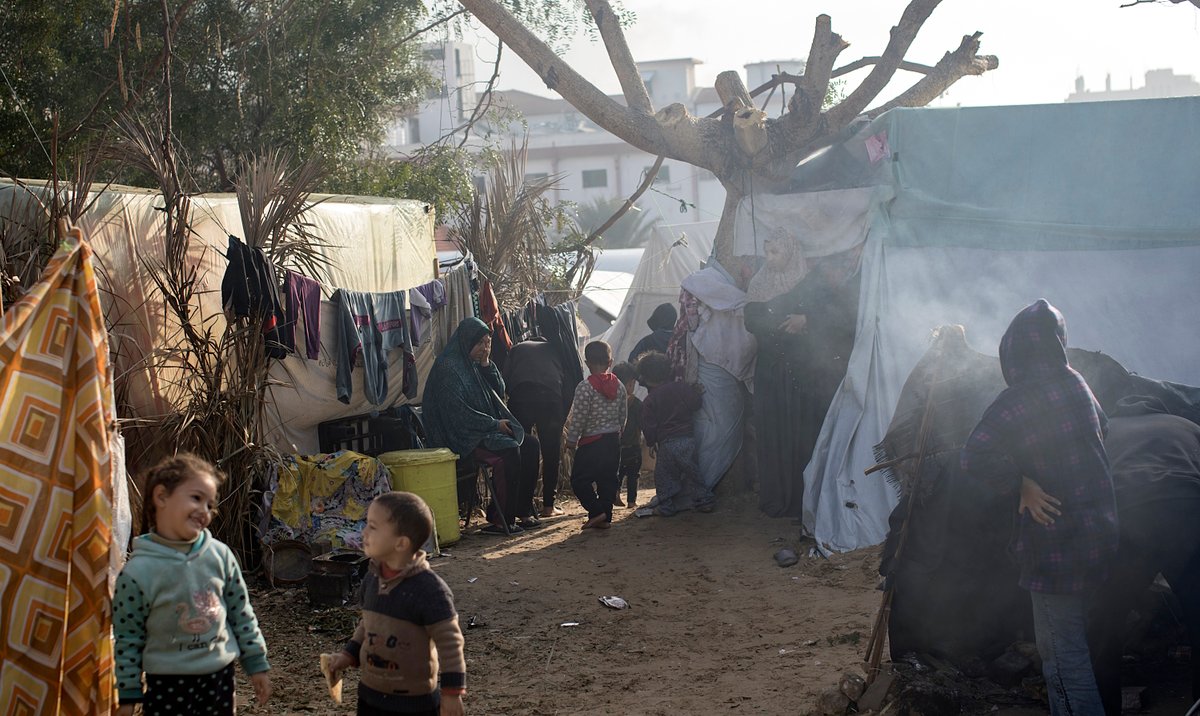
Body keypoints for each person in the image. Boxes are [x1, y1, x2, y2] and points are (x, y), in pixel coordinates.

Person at [960, 299, 1118, 716]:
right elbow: (1104, 428)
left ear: (1012, 350)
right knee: (1075, 642)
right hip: (1099, 534)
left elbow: (973, 455)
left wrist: (1019, 483)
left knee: (1064, 659)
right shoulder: (1075, 382)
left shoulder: (1018, 399)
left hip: (1057, 546)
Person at [114, 454, 272, 715]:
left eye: (210, 505)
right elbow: (128, 639)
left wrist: (256, 664)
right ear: (161, 496)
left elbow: (241, 613)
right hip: (167, 685)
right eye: (197, 498)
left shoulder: (220, 556)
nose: (205, 511)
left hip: (219, 679)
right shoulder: (136, 574)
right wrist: (128, 697)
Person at [743, 231, 860, 519]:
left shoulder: (809, 282)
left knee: (802, 433)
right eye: (767, 252)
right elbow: (752, 320)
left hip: (803, 371)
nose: (770, 259)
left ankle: (803, 499)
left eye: (776, 253)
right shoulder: (759, 284)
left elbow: (838, 318)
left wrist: (805, 323)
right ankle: (777, 498)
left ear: (791, 253)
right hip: (771, 371)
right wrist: (783, 326)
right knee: (774, 433)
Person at [323, 492, 466, 716]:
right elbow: (368, 624)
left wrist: (451, 694)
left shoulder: (430, 590)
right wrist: (348, 655)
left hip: (414, 704)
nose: (364, 533)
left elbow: (450, 645)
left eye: (372, 526)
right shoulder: (371, 579)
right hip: (370, 696)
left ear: (401, 543)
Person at [423, 317, 541, 534]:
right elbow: (457, 414)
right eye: (480, 344)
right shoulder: (448, 368)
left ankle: (522, 510)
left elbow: (499, 390)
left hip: (483, 430)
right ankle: (499, 519)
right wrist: (494, 425)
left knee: (531, 445)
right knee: (508, 451)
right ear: (466, 341)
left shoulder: (475, 365)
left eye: (487, 343)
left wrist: (487, 364)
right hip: (459, 436)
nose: (484, 348)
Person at [503, 308, 573, 518]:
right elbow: (566, 381)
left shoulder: (517, 348)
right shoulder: (557, 349)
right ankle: (549, 506)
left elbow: (505, 380)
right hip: (550, 400)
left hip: (521, 398)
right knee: (551, 453)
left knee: (522, 449)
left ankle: (520, 504)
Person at [634, 351, 708, 516]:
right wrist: (697, 394)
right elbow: (695, 404)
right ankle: (704, 500)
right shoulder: (681, 388)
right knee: (692, 472)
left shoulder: (650, 400)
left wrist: (652, 442)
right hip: (687, 439)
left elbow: (649, 425)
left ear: (646, 378)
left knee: (664, 476)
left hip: (666, 444)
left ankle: (666, 507)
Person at [564, 340, 628, 530]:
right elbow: (623, 414)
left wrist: (571, 439)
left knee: (579, 480)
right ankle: (605, 517)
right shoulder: (620, 386)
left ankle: (595, 511)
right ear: (610, 362)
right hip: (612, 440)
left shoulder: (585, 387)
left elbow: (580, 417)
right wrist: (618, 432)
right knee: (607, 479)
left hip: (591, 443)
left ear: (587, 363)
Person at [612, 361, 643, 508]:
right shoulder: (637, 404)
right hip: (633, 446)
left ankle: (615, 494)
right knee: (633, 475)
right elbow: (643, 424)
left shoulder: (610, 401)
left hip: (615, 445)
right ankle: (632, 502)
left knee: (617, 473)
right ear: (631, 383)